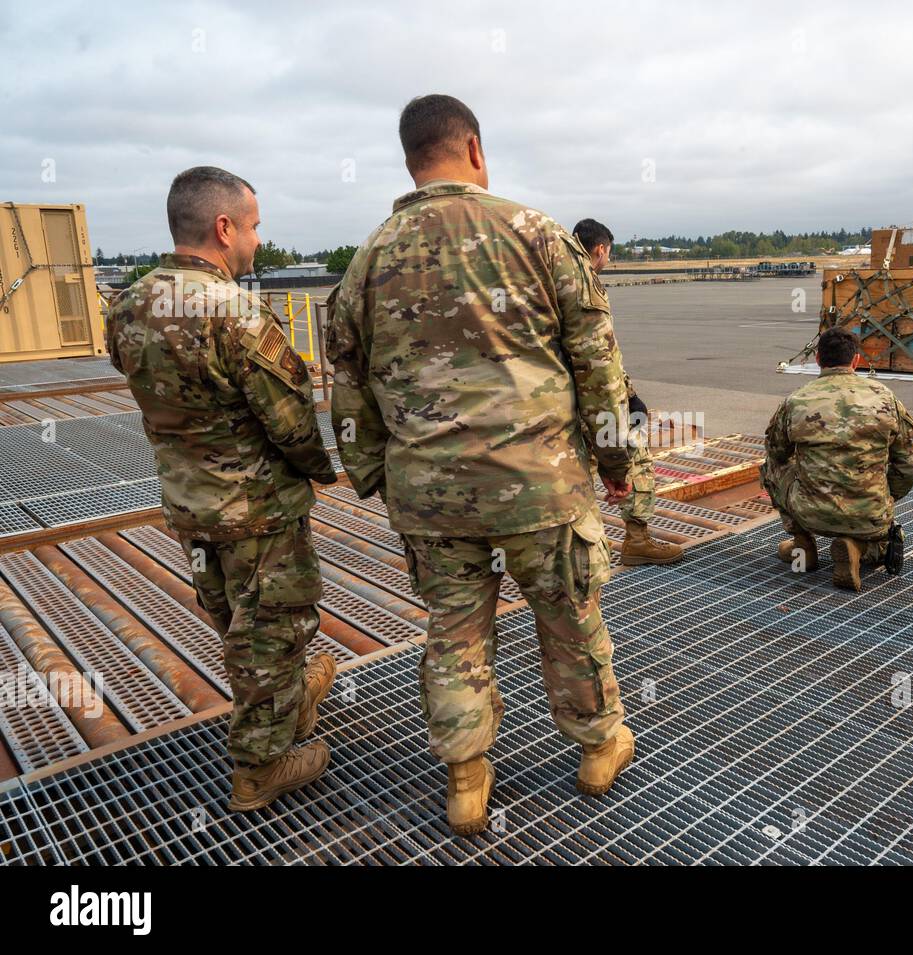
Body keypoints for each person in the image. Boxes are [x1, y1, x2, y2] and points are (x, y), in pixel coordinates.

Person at [326, 95, 637, 836]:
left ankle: (466, 777)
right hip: (541, 484)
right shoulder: (538, 235)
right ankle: (599, 746)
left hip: (430, 495)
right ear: (474, 148)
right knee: (568, 617)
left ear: (410, 159)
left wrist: (373, 473)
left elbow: (347, 391)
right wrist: (617, 459)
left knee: (454, 631)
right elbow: (600, 368)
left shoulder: (368, 259)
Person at [106, 166, 338, 812]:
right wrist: (319, 470)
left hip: (189, 509)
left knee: (237, 623)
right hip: (257, 513)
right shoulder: (236, 311)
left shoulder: (128, 304)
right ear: (223, 227)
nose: (259, 241)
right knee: (271, 632)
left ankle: (289, 706)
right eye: (255, 227)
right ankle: (259, 768)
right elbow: (290, 421)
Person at [761, 326, 913, 592]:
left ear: (818, 361)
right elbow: (909, 465)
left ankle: (804, 545)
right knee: (877, 542)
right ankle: (855, 547)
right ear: (856, 360)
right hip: (870, 515)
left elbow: (776, 454)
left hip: (810, 512)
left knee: (770, 468)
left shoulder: (796, 401)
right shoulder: (886, 398)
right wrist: (884, 496)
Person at [571, 218, 683, 565]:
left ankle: (570, 550)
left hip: (560, 400)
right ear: (601, 249)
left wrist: (630, 391)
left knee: (572, 472)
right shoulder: (584, 287)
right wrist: (622, 403)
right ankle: (636, 539)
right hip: (593, 399)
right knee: (636, 460)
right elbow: (598, 357)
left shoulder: (551, 282)